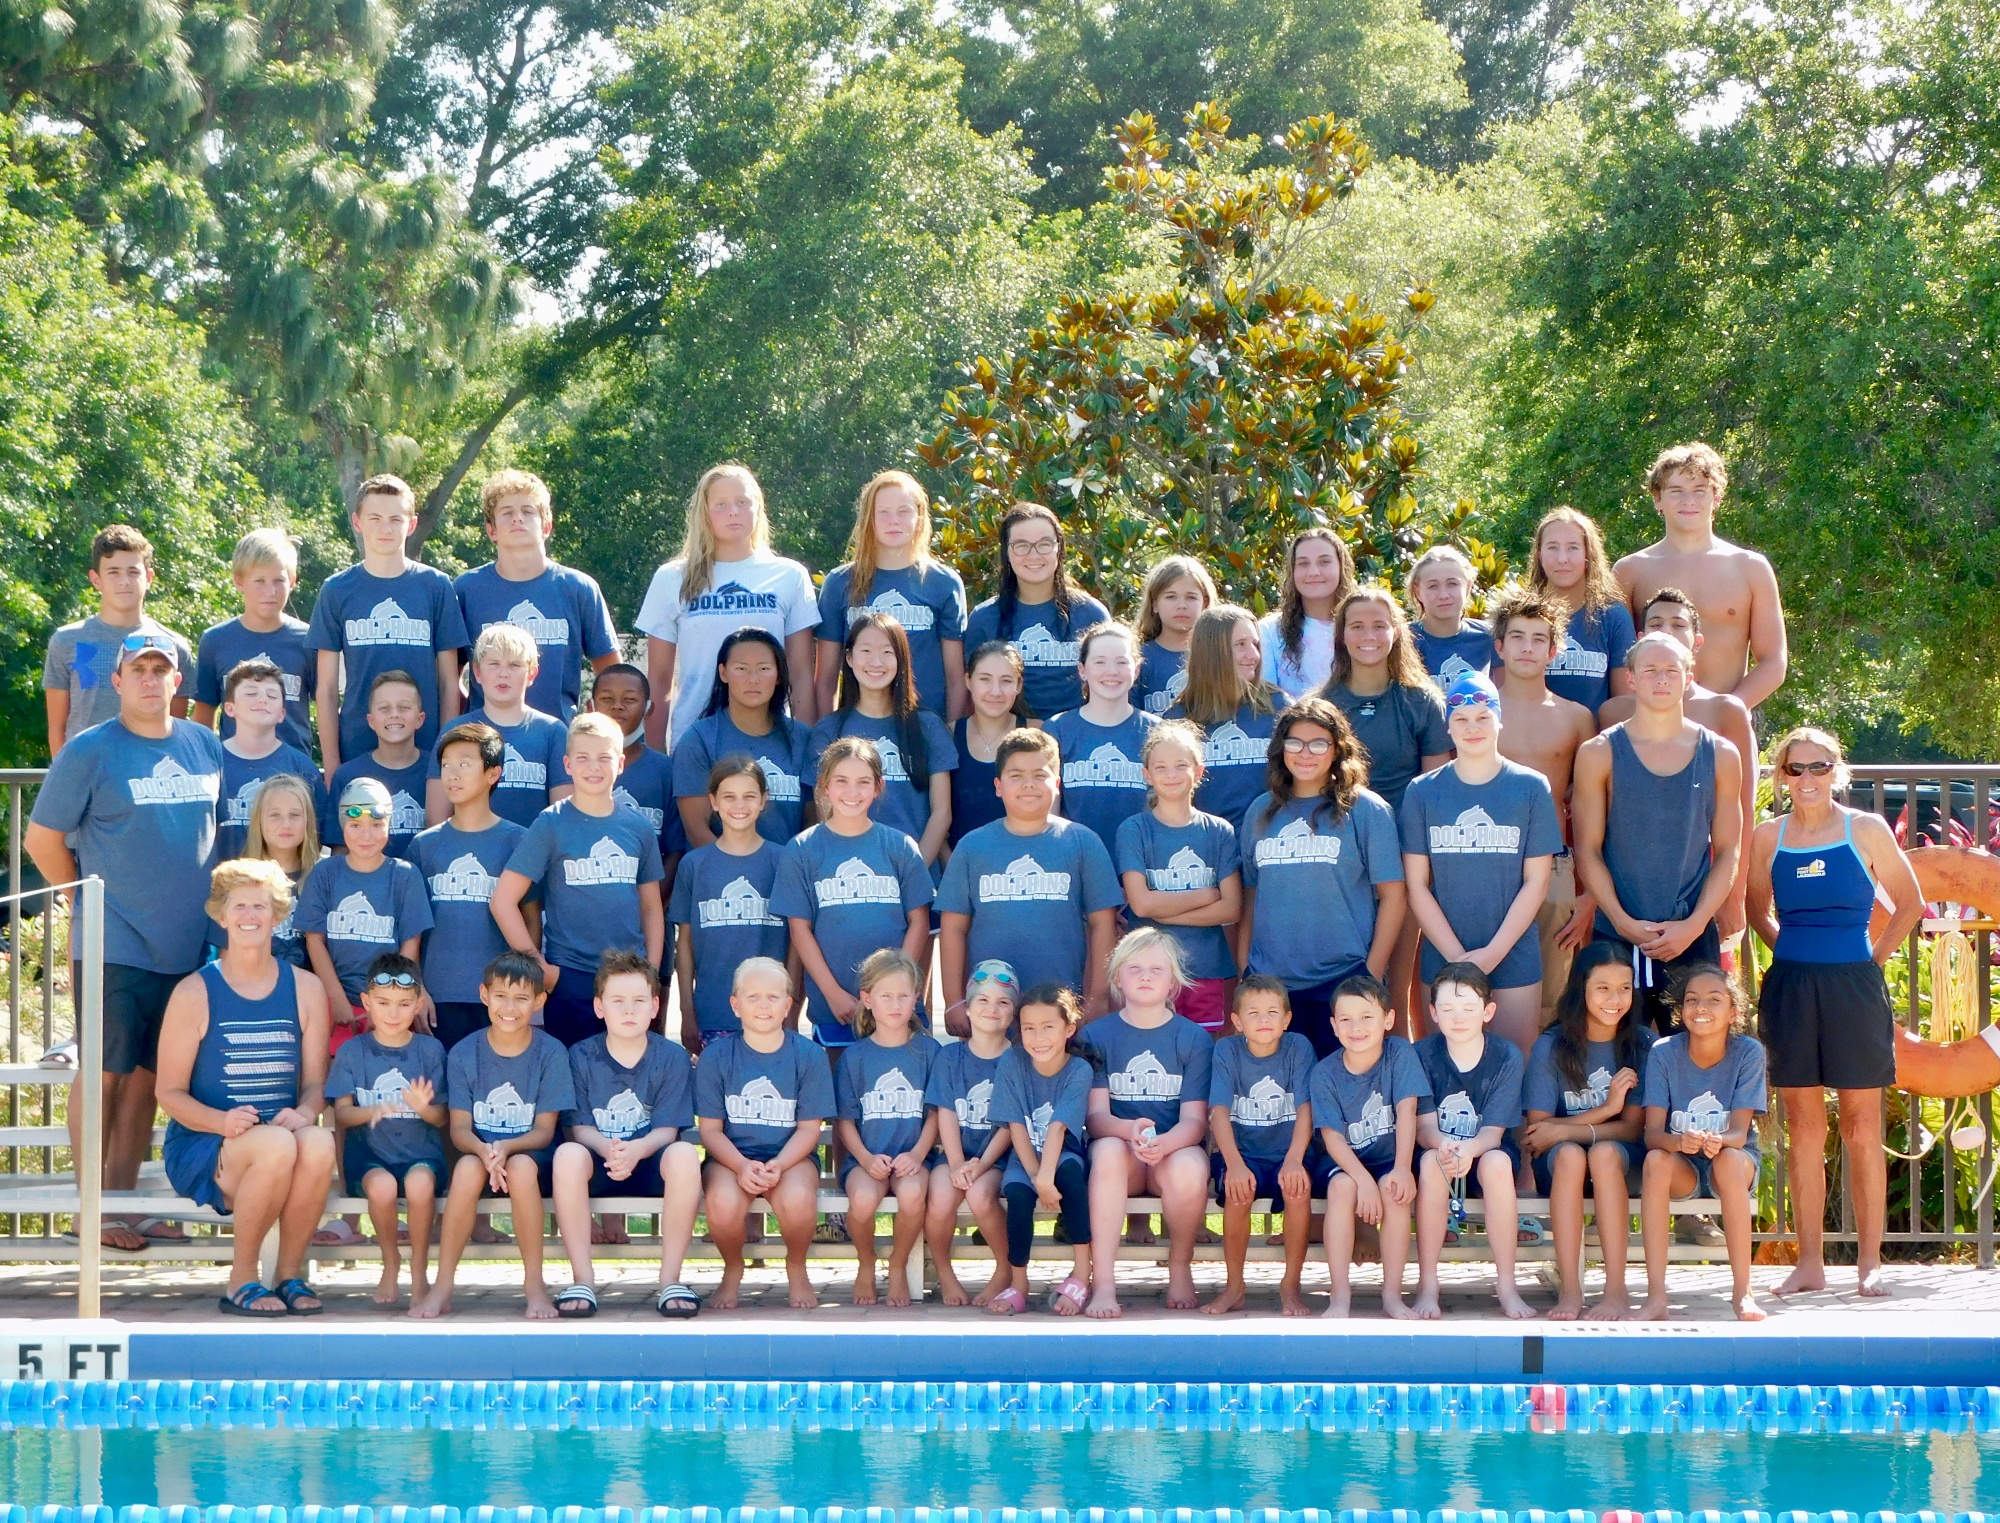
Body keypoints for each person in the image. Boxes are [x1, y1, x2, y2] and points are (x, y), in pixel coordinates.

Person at [27, 631, 223, 1250]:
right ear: (116, 682)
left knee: (148, 1081)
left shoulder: (204, 745)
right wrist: (83, 900)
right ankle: (93, 1210)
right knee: (105, 1075)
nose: (148, 679)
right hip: (115, 944)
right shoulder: (90, 750)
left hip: (187, 946)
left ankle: (125, 1205)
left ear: (177, 683)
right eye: (136, 669)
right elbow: (42, 841)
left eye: (160, 669)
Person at [1746, 726, 1923, 1300]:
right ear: (1781, 777)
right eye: (1794, 769)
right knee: (1803, 1130)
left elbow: (1911, 902)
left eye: (1818, 767)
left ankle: (1869, 1262)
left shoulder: (1864, 829)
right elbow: (1755, 909)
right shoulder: (1767, 837)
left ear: (1836, 772)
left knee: (1861, 1126)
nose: (1807, 779)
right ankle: (1811, 1264)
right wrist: (1795, 958)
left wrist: (1867, 961)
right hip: (1793, 989)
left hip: (1854, 988)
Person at [155, 858, 334, 1315]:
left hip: (280, 1137)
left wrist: (307, 1112)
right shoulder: (195, 992)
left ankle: (289, 1275)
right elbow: (168, 1093)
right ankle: (241, 1280)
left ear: (277, 916)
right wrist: (222, 1121)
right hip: (206, 1142)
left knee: (317, 1143)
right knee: (277, 1145)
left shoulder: (306, 988)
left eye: (261, 905)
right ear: (221, 915)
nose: (250, 915)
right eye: (239, 906)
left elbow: (315, 1085)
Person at [1573, 633, 1744, 1032]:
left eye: (1671, 670)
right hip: (1617, 933)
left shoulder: (1720, 754)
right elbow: (1588, 849)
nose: (1661, 679)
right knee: (1619, 1063)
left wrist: (1697, 923)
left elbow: (1729, 848)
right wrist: (1620, 920)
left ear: (1688, 677)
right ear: (1630, 678)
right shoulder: (1598, 752)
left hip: (1690, 932)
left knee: (1696, 1056)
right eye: (1650, 670)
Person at [1399, 673, 1561, 1056]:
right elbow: (1417, 885)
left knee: (1513, 1076)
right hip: (1443, 954)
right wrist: (1458, 962)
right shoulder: (1422, 792)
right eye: (1461, 720)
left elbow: (1536, 882)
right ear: (1448, 728)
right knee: (1440, 1079)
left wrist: (1490, 956)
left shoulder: (1531, 787)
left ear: (1499, 720)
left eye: (1483, 717)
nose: (1472, 728)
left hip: (1512, 958)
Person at [1236, 698, 1405, 1057]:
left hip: (1343, 982)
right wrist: (1245, 969)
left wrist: (1370, 975)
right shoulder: (1260, 812)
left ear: (1337, 750)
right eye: (1295, 742)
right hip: (1273, 988)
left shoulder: (1367, 810)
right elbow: (1252, 895)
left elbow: (1393, 896)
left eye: (1319, 743)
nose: (1305, 753)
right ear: (1281, 748)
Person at [413, 950, 576, 1320]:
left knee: (519, 1168)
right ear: (484, 995)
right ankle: (443, 1286)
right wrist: (486, 1152)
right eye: (501, 996)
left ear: (539, 1001)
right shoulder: (464, 1052)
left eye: (521, 998)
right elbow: (458, 1129)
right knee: (467, 1169)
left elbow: (544, 1131)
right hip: (480, 1155)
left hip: (531, 1158)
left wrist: (504, 1147)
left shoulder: (550, 1053)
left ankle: (534, 1284)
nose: (510, 1007)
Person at [1598, 587, 1761, 949]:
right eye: (1656, 624)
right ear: (1639, 641)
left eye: (1678, 624)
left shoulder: (1725, 712)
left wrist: (1733, 896)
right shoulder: (1612, 718)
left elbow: (1742, 811)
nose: (1667, 632)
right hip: (1625, 905)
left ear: (1696, 640)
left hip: (1699, 894)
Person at [493, 713, 667, 1048]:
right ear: (567, 764)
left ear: (620, 763)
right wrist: (542, 969)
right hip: (570, 978)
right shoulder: (551, 824)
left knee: (622, 1079)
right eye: (583, 758)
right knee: (574, 1081)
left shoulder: (638, 827)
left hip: (628, 981)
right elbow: (503, 901)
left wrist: (651, 973)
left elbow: (651, 907)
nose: (593, 767)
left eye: (604, 758)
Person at [548, 950, 704, 1319]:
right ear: (599, 1007)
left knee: (683, 1155)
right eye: (618, 1001)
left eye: (638, 1001)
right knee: (567, 1155)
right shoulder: (580, 1056)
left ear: (655, 1006)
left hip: (651, 1163)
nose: (629, 1011)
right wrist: (610, 1148)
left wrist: (635, 1151)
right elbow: (577, 1127)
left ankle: (670, 1281)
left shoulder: (672, 1058)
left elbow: (668, 1128)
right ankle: (583, 1279)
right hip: (599, 1164)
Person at [937, 728, 1122, 1023]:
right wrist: (953, 1001)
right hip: (990, 1011)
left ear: (1057, 783)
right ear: (998, 785)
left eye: (1040, 775)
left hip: (1062, 1009)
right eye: (1016, 775)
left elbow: (1103, 924)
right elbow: (953, 928)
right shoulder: (973, 846)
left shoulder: (1082, 842)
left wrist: (1098, 997)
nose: (1028, 785)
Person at [1081, 928, 1216, 1319]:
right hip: (1122, 1154)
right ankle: (1104, 1282)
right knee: (1105, 1151)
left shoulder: (1192, 1039)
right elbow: (1096, 1118)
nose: (1144, 976)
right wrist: (1128, 1131)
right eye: (1134, 968)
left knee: (1192, 1165)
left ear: (1173, 982)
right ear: (1117, 978)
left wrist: (1165, 1145)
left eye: (1156, 970)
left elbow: (1194, 1121)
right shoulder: (1098, 1035)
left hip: (1169, 1156)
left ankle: (1179, 1266)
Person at [637, 462, 818, 749]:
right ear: (704, 513)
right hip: (696, 739)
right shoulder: (672, 578)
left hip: (773, 740)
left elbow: (800, 674)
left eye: (742, 502)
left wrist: (807, 750)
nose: (733, 511)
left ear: (758, 507)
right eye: (720, 504)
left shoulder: (789, 575)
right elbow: (659, 681)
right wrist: (657, 757)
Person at [1520, 941, 1654, 1321]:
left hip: (1621, 1162)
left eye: (1624, 988)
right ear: (1582, 989)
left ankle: (1615, 1291)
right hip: (1563, 1169)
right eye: (1603, 988)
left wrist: (1574, 1127)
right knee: (1568, 1155)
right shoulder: (1552, 1045)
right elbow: (1537, 1130)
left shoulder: (1642, 1043)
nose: (1615, 999)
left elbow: (1630, 1130)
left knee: (1602, 1152)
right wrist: (1605, 1112)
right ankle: (1571, 1291)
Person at [694, 957, 836, 1310]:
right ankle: (732, 1267)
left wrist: (779, 1164)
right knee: (722, 1202)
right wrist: (742, 1166)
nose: (763, 1005)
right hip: (731, 1158)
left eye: (773, 997)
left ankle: (797, 1266)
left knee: (798, 1198)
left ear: (788, 1005)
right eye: (753, 996)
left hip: (791, 1156)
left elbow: (809, 1129)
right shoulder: (717, 1056)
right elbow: (710, 1131)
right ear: (735, 1004)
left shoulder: (808, 1055)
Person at [774, 738, 933, 1053]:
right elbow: (799, 929)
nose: (852, 792)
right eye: (841, 781)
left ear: (878, 787)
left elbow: (919, 921)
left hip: (897, 1007)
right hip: (838, 1007)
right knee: (841, 1095)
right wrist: (832, 994)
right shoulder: (802, 850)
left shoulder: (899, 846)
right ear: (824, 785)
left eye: (863, 782)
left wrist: (899, 990)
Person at [1487, 587, 1599, 1024]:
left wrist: (1589, 893)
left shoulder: (1575, 718)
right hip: (1487, 860)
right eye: (1517, 636)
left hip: (1554, 866)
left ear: (1554, 650)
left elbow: (1592, 811)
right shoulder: (1477, 712)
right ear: (1499, 646)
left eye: (1538, 638)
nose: (1527, 647)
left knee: (1553, 995)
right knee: (1485, 986)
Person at [308, 475, 467, 772]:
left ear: (412, 524)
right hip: (357, 746)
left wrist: (446, 758)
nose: (385, 527)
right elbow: (327, 689)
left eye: (396, 519)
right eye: (375, 518)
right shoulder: (337, 590)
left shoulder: (435, 587)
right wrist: (332, 768)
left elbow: (449, 682)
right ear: (357, 522)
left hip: (425, 748)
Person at [1638, 964, 1769, 1322]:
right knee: (1654, 1162)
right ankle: (1656, 1296)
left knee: (1728, 1160)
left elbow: (1739, 1135)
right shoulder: (1664, 1052)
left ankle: (1743, 1291)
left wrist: (1716, 1140)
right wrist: (1680, 1142)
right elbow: (1652, 1136)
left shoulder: (1748, 1053)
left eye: (1714, 1000)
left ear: (1733, 1012)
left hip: (1729, 1161)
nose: (1702, 1008)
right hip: (1682, 1165)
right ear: (1680, 1011)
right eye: (1692, 1000)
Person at [1613, 442, 1787, 707]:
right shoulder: (1630, 571)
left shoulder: (1751, 568)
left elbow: (1774, 660)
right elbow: (1617, 659)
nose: (1688, 501)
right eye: (1676, 491)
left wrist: (1728, 711)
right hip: (1650, 730)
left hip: (1726, 731)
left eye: (1699, 491)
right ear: (1657, 498)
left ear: (1716, 497)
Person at [326, 951, 447, 1308]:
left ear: (418, 1005)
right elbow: (341, 1115)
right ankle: (391, 1261)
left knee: (419, 1184)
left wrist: (424, 1108)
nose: (393, 1013)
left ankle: (420, 1268)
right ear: (366, 1003)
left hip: (420, 1155)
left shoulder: (430, 1050)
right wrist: (374, 1110)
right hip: (370, 1157)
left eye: (403, 1004)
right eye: (383, 1003)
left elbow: (442, 1117)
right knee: (382, 1188)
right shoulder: (352, 1052)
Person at [1412, 962, 1533, 1320]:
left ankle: (1507, 1285)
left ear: (1488, 1011)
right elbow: (1423, 1128)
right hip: (1442, 1151)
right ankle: (1428, 1285)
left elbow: (1494, 1133)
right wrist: (1447, 1148)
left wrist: (1468, 1150)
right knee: (1429, 1162)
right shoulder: (1421, 1055)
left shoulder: (1506, 1056)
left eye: (1468, 1008)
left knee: (1497, 1163)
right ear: (1433, 1013)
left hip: (1486, 1151)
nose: (1458, 1017)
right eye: (1447, 1009)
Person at [1311, 973, 1432, 1319]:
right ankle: (1340, 1295)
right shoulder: (1325, 1073)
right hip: (1345, 1162)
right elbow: (1332, 1137)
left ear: (1388, 1020)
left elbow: (1407, 1110)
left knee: (1395, 1191)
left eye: (1367, 1017)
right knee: (1342, 1187)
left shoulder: (1398, 1053)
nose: (1357, 1027)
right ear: (1334, 1026)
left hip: (1390, 1158)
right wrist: (1362, 1178)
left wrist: (1401, 1169)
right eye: (1346, 1019)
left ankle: (1392, 1295)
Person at [1203, 974, 1325, 1317]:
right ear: (1237, 1021)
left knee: (1297, 1189)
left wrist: (1295, 1160)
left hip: (1289, 1153)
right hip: (1245, 1154)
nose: (1264, 1019)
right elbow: (1219, 1113)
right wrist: (1235, 1164)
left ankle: (1290, 1285)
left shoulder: (1298, 1047)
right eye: (1253, 1013)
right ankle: (1234, 1286)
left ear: (1287, 1019)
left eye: (1273, 1012)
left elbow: (1305, 1109)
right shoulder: (1227, 1050)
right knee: (1238, 1191)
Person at [454, 468, 619, 720]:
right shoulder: (466, 589)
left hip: (560, 739)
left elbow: (612, 677)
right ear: (491, 530)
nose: (517, 519)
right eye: (507, 512)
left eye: (528, 511)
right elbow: (448, 676)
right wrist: (468, 720)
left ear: (547, 526)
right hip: (483, 740)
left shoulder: (578, 588)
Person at [408, 722, 533, 1053]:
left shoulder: (519, 841)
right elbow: (412, 932)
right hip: (438, 998)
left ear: (493, 773)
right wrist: (417, 989)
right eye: (446, 765)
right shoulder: (424, 846)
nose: (452, 774)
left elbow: (531, 918)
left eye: (464, 764)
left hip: (501, 998)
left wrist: (528, 990)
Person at [1115, 721, 1242, 1035]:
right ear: (1147, 775)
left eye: (1181, 766)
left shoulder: (1219, 831)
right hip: (1148, 971)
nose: (1171, 775)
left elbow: (1231, 910)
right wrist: (1205, 895)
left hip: (1205, 969)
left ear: (1198, 771)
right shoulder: (1134, 830)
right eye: (1161, 767)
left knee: (1202, 1055)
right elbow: (1142, 906)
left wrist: (1164, 913)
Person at [814, 470, 968, 719]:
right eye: (883, 512)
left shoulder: (944, 583)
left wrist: (949, 733)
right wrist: (828, 734)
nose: (893, 520)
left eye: (904, 511)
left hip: (926, 728)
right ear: (869, 519)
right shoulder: (839, 583)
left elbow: (956, 679)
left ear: (919, 516)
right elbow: (825, 681)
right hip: (858, 737)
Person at [833, 949, 941, 1306]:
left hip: (913, 1157)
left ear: (916, 999)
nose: (895, 1004)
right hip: (867, 1159)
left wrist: (918, 1153)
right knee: (862, 1201)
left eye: (904, 995)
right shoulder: (855, 1056)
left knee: (911, 1194)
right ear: (867, 999)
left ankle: (897, 1264)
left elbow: (936, 1113)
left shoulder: (929, 1052)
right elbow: (845, 1121)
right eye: (885, 996)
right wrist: (864, 1158)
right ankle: (866, 1261)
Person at [297, 776, 433, 1055]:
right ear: (342, 825)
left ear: (389, 823)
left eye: (377, 825)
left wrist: (388, 1003)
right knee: (336, 1089)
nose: (366, 836)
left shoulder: (404, 875)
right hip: (335, 1003)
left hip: (388, 1006)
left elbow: (410, 947)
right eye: (355, 825)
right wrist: (335, 999)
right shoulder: (326, 873)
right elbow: (314, 941)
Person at [668, 759, 795, 1054]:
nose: (740, 805)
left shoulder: (783, 861)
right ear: (713, 801)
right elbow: (684, 946)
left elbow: (796, 941)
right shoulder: (694, 865)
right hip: (713, 1014)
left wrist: (793, 1004)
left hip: (771, 1014)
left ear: (763, 801)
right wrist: (687, 1011)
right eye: (729, 796)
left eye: (749, 796)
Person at [807, 613, 955, 865]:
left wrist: (912, 876)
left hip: (917, 875)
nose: (877, 661)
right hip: (850, 874)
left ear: (902, 659)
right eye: (866, 650)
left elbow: (941, 814)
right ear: (850, 658)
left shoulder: (928, 727)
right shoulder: (828, 730)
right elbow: (824, 812)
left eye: (888, 652)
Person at [988, 983, 1095, 1316]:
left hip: (1062, 1151)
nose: (1038, 1037)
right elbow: (1015, 1123)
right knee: (1019, 1196)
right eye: (1029, 1028)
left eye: (1048, 1027)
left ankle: (1081, 1270)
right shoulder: (1012, 1061)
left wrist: (1047, 1176)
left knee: (1070, 1174)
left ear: (1069, 1028)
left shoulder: (1079, 1069)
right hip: (1024, 1157)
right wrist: (1035, 1176)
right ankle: (1019, 1282)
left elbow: (1059, 1127)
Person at [45, 524, 194, 754]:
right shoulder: (65, 641)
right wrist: (66, 778)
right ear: (96, 580)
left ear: (149, 577)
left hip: (148, 774)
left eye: (133, 572)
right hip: (86, 771)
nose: (124, 581)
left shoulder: (173, 647)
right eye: (113, 572)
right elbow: (57, 727)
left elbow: (176, 727)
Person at [923, 959, 1017, 1307]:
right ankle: (945, 1274)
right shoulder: (950, 1058)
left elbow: (1011, 1124)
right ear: (967, 1006)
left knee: (979, 1195)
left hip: (1000, 1158)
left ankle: (1004, 1268)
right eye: (983, 1000)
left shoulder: (1017, 1060)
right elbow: (945, 1112)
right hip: (955, 1155)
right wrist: (957, 1162)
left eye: (1003, 1002)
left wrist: (979, 1166)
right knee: (941, 1196)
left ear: (1013, 1012)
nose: (992, 1009)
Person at [963, 502, 1111, 719]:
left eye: (1044, 544)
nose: (1033, 555)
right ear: (1006, 552)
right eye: (1021, 545)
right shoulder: (984, 618)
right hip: (1011, 741)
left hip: (1079, 739)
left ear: (1059, 548)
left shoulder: (1091, 614)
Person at [672, 627, 813, 846]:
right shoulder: (699, 740)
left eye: (764, 668)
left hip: (790, 875)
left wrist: (791, 873)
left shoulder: (803, 739)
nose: (753, 679)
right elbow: (696, 830)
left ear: (778, 675)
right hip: (723, 876)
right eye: (742, 668)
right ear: (723, 673)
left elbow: (812, 825)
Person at [193, 528, 317, 756]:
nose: (270, 591)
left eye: (278, 580)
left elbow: (327, 708)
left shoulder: (309, 641)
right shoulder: (216, 641)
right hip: (234, 772)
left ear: (292, 581)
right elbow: (204, 715)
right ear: (239, 581)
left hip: (294, 772)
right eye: (259, 580)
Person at [1167, 604, 1290, 830]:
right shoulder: (1178, 720)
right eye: (1241, 645)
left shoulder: (1279, 707)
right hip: (1207, 848)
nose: (1253, 655)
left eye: (1255, 644)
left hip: (1268, 842)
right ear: (1213, 651)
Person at [1047, 622, 1157, 849]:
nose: (1112, 672)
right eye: (1100, 662)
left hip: (1141, 868)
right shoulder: (1057, 730)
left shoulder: (1158, 732)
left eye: (1122, 662)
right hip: (1075, 864)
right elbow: (1048, 816)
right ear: (1082, 670)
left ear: (1136, 670)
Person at [320, 671, 444, 861]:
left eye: (404, 707)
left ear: (420, 719)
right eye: (384, 708)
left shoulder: (438, 771)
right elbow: (340, 856)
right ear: (371, 721)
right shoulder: (347, 776)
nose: (394, 715)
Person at [458, 623, 572, 829]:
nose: (503, 673)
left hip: (534, 856)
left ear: (532, 673)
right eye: (493, 664)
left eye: (514, 665)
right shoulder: (457, 731)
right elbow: (438, 820)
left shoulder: (554, 732)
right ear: (477, 672)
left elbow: (562, 818)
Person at [212, 659, 324, 863]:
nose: (262, 700)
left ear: (282, 714)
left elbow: (316, 836)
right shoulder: (210, 763)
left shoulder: (301, 767)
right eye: (251, 693)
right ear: (229, 708)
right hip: (220, 885)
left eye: (271, 695)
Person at [1525, 507, 1634, 714]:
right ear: (1539, 555)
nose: (1562, 558)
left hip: (1596, 742)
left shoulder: (1612, 616)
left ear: (1588, 554)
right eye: (1552, 547)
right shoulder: (1522, 616)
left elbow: (1624, 704)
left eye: (1573, 548)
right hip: (1534, 742)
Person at [213, 774, 318, 969]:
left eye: (295, 815)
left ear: (308, 821)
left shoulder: (323, 877)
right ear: (259, 821)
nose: (285, 824)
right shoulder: (237, 879)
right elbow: (227, 952)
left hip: (310, 989)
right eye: (275, 815)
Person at [587, 663, 685, 871]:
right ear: (590, 707)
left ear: (649, 708)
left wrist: (654, 901)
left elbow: (676, 851)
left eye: (630, 699)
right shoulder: (575, 767)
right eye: (606, 698)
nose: (617, 706)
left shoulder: (667, 771)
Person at [949, 641, 1031, 848]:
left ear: (1019, 685)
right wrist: (955, 870)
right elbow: (934, 813)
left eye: (1006, 681)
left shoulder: (1038, 733)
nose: (995, 692)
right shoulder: (947, 734)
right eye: (985, 679)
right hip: (958, 870)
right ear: (968, 680)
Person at [1259, 528, 1354, 698]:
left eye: (1324, 562)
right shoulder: (1268, 632)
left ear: (1342, 567)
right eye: (1303, 563)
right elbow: (1266, 704)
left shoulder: (1363, 628)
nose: (1313, 572)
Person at [1133, 556, 1216, 716]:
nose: (1181, 605)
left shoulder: (1218, 656)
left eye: (1191, 597)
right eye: (1171, 597)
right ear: (1155, 603)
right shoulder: (1138, 658)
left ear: (1205, 603)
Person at [1406, 545, 1492, 685]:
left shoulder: (1490, 637)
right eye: (1433, 586)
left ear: (1468, 587)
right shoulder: (1402, 641)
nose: (1444, 595)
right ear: (1418, 592)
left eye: (1452, 584)